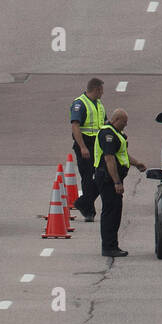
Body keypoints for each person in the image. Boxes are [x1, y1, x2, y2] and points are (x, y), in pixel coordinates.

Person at [93, 109, 146, 258]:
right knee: (110, 213)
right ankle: (108, 247)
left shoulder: (116, 134)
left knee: (115, 212)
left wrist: (136, 163)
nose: (126, 125)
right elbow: (109, 159)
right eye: (124, 122)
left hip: (112, 178)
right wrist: (116, 182)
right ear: (116, 120)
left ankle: (112, 245)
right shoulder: (107, 134)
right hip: (107, 179)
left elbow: (122, 154)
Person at [68, 77, 106, 221]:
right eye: (101, 90)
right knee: (87, 177)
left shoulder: (99, 104)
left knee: (102, 175)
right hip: (85, 144)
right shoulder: (80, 103)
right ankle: (89, 211)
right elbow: (75, 126)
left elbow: (104, 123)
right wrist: (83, 147)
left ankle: (83, 202)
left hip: (97, 145)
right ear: (97, 89)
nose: (102, 93)